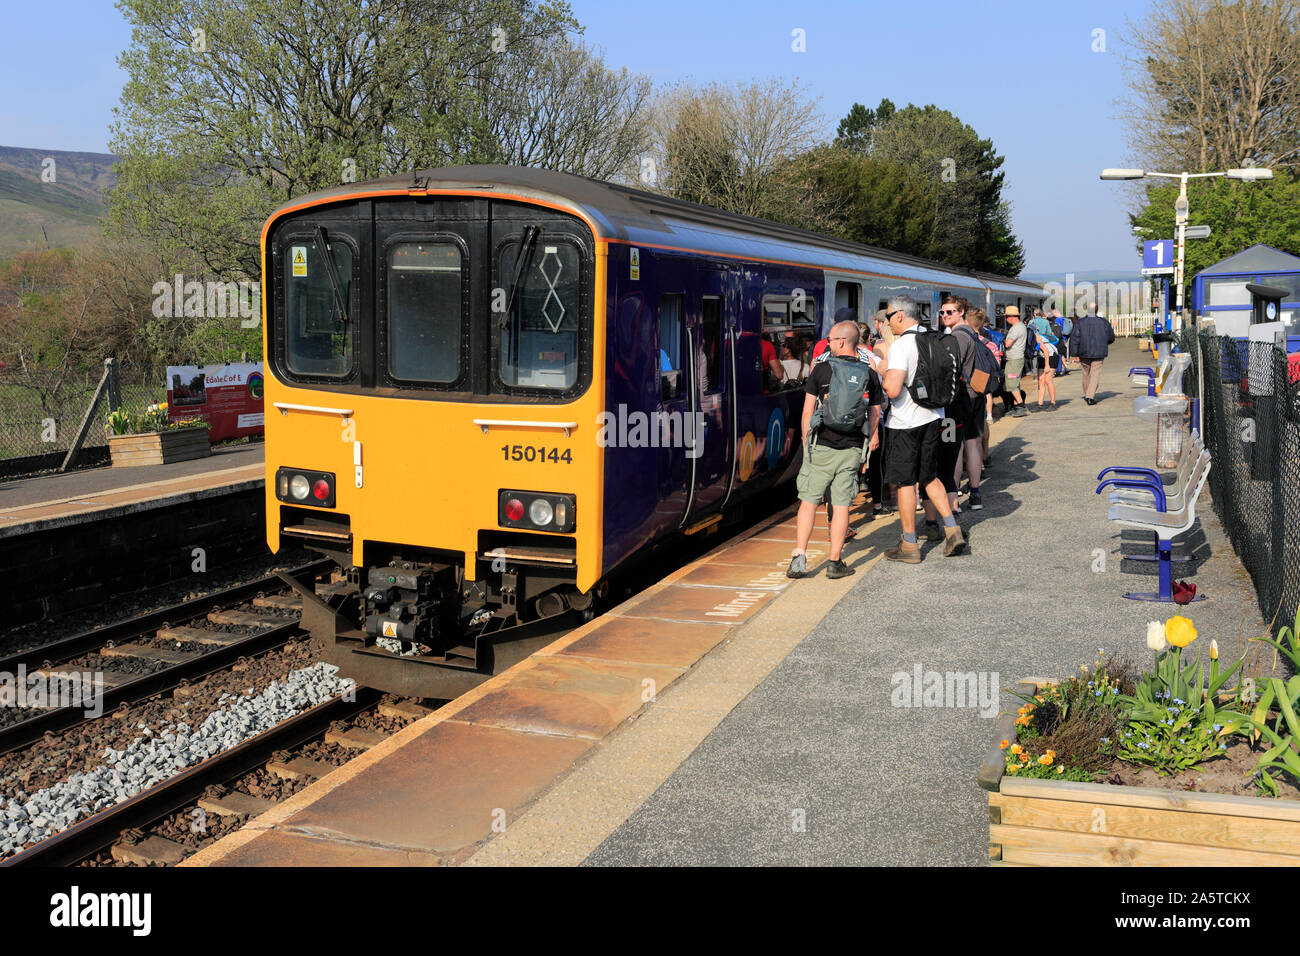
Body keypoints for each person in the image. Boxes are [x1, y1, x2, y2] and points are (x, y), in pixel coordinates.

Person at [787, 319, 879, 579]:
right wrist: (868, 443)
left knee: (808, 502)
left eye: (830, 339)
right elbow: (874, 414)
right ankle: (835, 562)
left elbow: (807, 411)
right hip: (851, 449)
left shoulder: (821, 370)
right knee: (841, 506)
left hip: (822, 447)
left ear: (841, 341)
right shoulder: (868, 373)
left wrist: (807, 442)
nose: (827, 343)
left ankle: (799, 557)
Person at [880, 296, 964, 562]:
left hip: (905, 422)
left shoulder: (902, 344)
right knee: (929, 476)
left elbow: (893, 389)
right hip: (933, 416)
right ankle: (953, 529)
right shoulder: (933, 337)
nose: (887, 322)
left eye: (889, 316)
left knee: (905, 483)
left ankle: (909, 545)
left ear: (901, 315)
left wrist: (882, 375)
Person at [939, 296, 985, 513]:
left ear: (961, 312)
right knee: (973, 445)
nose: (944, 316)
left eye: (949, 312)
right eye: (942, 312)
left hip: (957, 399)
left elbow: (949, 370)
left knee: (953, 449)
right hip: (976, 396)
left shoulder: (957, 336)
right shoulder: (973, 333)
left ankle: (953, 496)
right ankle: (975, 494)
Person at [1070, 302, 1116, 405]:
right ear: (1096, 310)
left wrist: (1074, 354)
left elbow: (1074, 339)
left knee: (1086, 374)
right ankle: (1090, 396)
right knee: (1094, 374)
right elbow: (1111, 337)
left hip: (1083, 352)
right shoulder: (1104, 322)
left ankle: (1087, 395)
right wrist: (1104, 342)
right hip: (1099, 352)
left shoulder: (1080, 323)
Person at [1001, 306, 1028, 417]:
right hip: (1014, 359)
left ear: (1011, 317)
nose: (1006, 319)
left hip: (1014, 360)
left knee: (1011, 384)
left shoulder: (1017, 328)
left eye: (1006, 316)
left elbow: (1008, 344)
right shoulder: (1020, 326)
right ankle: (1016, 406)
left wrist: (1001, 340)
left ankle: (1021, 406)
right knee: (1014, 384)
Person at [1029, 310, 1058, 409]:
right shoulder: (1031, 337)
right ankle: (1040, 404)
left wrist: (1047, 365)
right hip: (1042, 356)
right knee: (1041, 380)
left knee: (1048, 380)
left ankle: (1053, 403)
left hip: (1051, 355)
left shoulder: (1036, 337)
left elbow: (1045, 350)